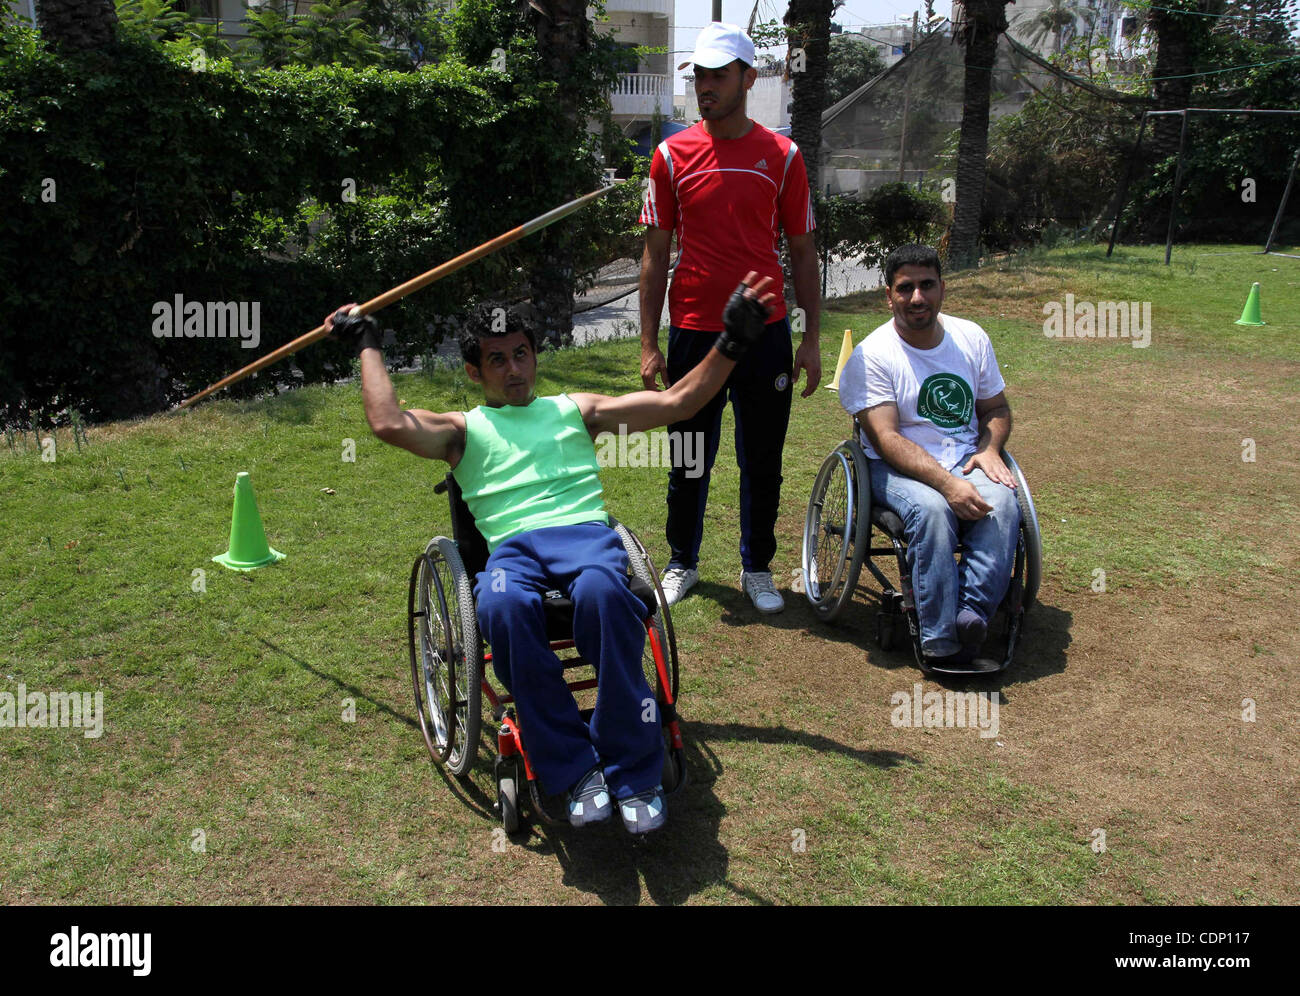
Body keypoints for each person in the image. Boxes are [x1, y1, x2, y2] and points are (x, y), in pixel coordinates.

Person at [323, 273, 774, 834]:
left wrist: (731, 342)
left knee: (606, 593)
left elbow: (679, 403)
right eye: (497, 360)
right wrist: (367, 340)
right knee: (502, 607)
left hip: (586, 539)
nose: (513, 369)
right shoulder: (463, 430)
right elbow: (388, 422)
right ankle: (577, 770)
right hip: (512, 553)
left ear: (535, 356)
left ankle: (634, 775)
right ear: (474, 371)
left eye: (521, 354)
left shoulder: (576, 410)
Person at [638, 21, 822, 614]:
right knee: (689, 452)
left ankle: (757, 567)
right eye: (700, 77)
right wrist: (648, 341)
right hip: (694, 330)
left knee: (762, 456)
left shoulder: (784, 156)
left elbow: (802, 251)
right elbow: (655, 253)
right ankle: (682, 562)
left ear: (749, 77)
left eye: (720, 75)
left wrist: (811, 338)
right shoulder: (669, 155)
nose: (706, 87)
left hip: (765, 332)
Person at [836, 244, 1020, 668]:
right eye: (905, 288)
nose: (917, 297)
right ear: (889, 295)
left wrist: (989, 448)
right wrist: (947, 482)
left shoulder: (970, 338)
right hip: (891, 467)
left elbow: (995, 408)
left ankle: (970, 616)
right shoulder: (872, 355)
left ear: (942, 289)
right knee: (933, 511)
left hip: (964, 457)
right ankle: (939, 641)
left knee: (1004, 502)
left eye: (927, 285)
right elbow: (885, 438)